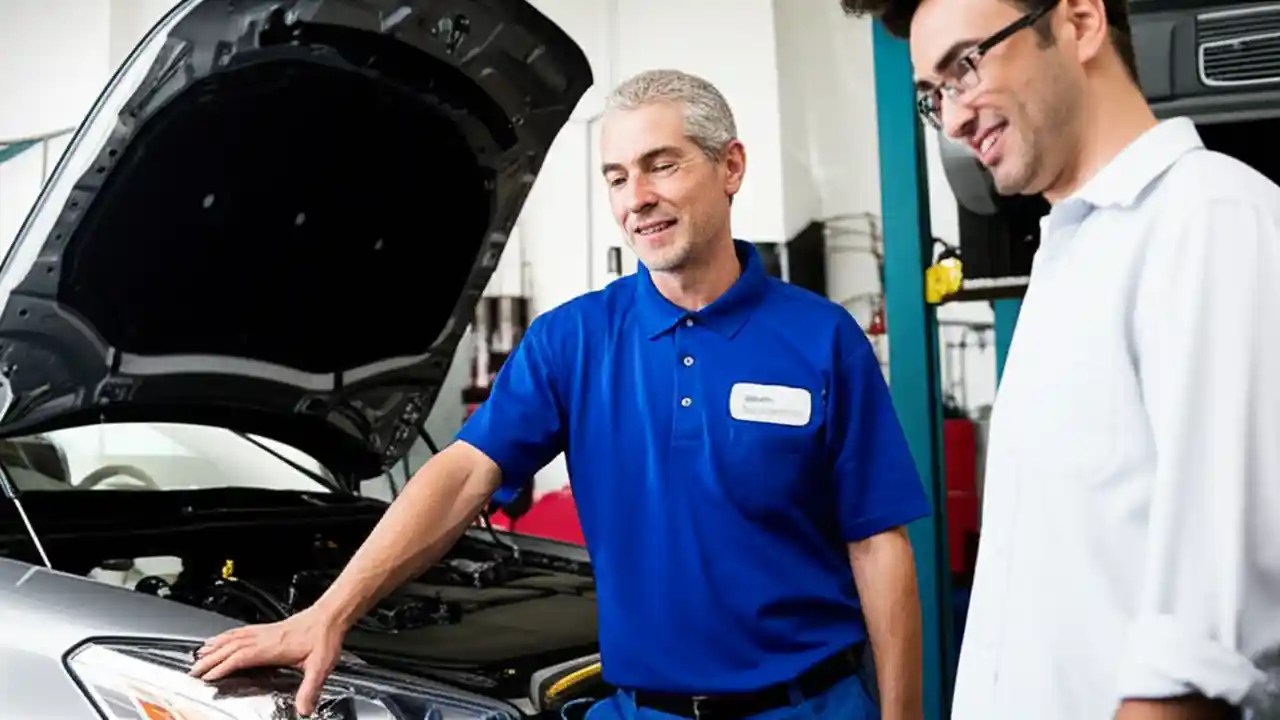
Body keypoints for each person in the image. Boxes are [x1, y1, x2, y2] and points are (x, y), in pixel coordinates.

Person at [190, 68, 932, 720]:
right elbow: (460, 475)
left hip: (810, 707)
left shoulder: (821, 338)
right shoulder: (572, 340)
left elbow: (878, 546)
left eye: (661, 165)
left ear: (730, 165)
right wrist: (330, 614)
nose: (636, 198)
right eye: (615, 176)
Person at [838, 0, 1280, 717]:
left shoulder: (1209, 221)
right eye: (934, 94)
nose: (950, 118)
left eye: (966, 66)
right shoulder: (1070, 253)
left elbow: (1205, 648)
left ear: (1079, 21)